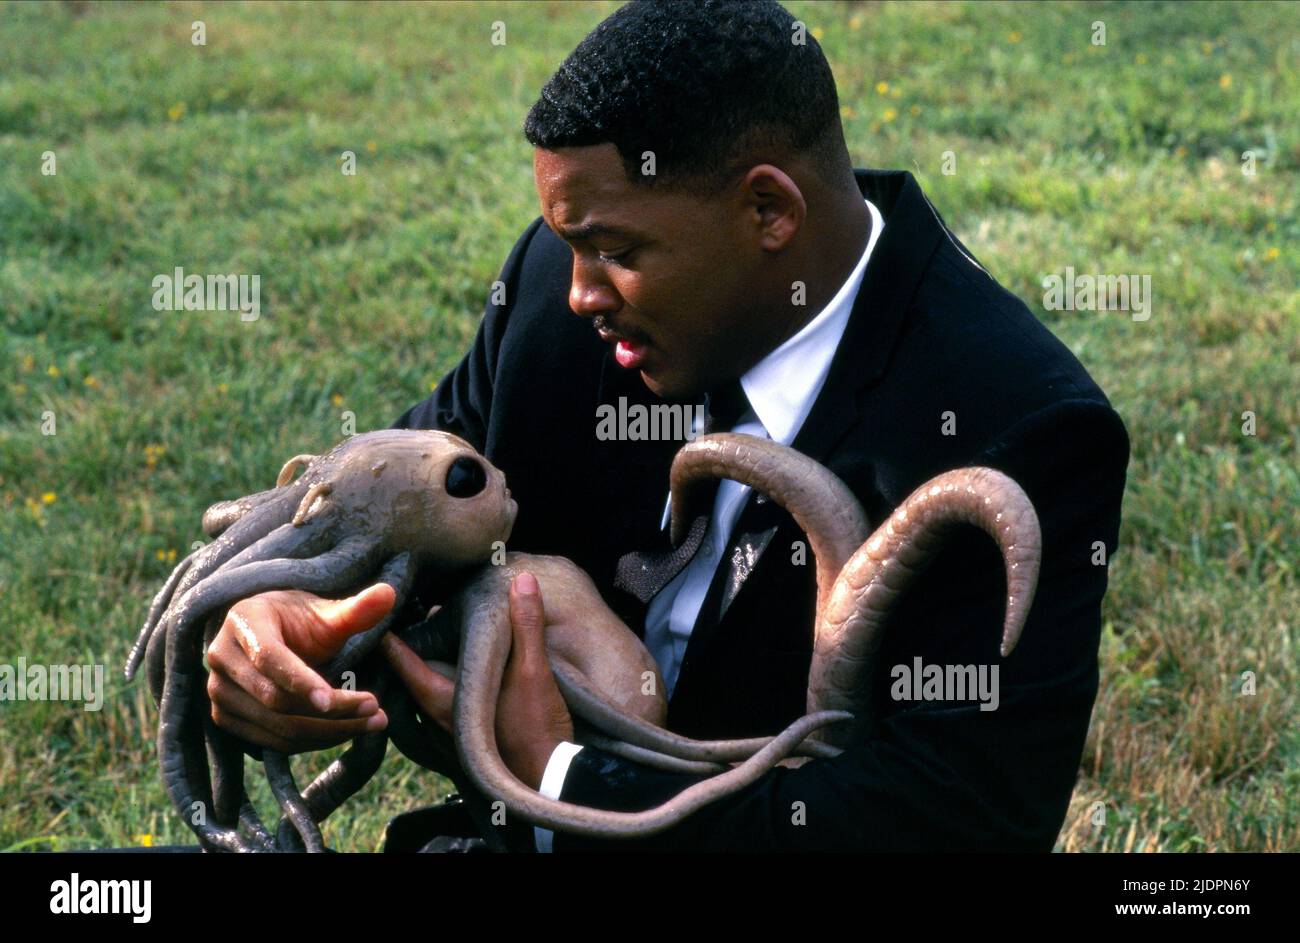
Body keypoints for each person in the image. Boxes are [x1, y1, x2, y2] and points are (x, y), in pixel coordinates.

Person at [204, 0, 1129, 852]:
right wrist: (274, 614)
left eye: (618, 253)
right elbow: (388, 502)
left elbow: (952, 822)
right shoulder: (562, 297)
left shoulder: (1020, 425)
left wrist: (560, 778)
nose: (578, 291)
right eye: (569, 246)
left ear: (769, 209)